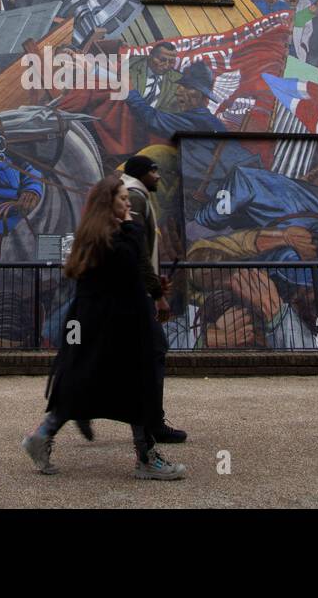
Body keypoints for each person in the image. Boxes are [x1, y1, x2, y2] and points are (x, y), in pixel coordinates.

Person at [22, 175, 186, 481]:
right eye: (122, 198)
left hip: (103, 319)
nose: (127, 203)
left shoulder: (97, 234)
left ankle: (42, 436)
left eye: (127, 198)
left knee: (87, 382)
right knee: (138, 381)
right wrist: (130, 226)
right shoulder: (112, 234)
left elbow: (124, 274)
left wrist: (151, 289)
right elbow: (126, 264)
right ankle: (146, 458)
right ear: (107, 202)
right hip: (117, 321)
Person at [121, 154, 187, 443]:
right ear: (142, 173)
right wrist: (156, 293)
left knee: (136, 356)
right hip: (135, 294)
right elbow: (135, 251)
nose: (158, 176)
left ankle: (148, 424)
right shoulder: (135, 197)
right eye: (154, 171)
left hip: (134, 290)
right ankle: (152, 426)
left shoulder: (133, 195)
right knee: (155, 351)